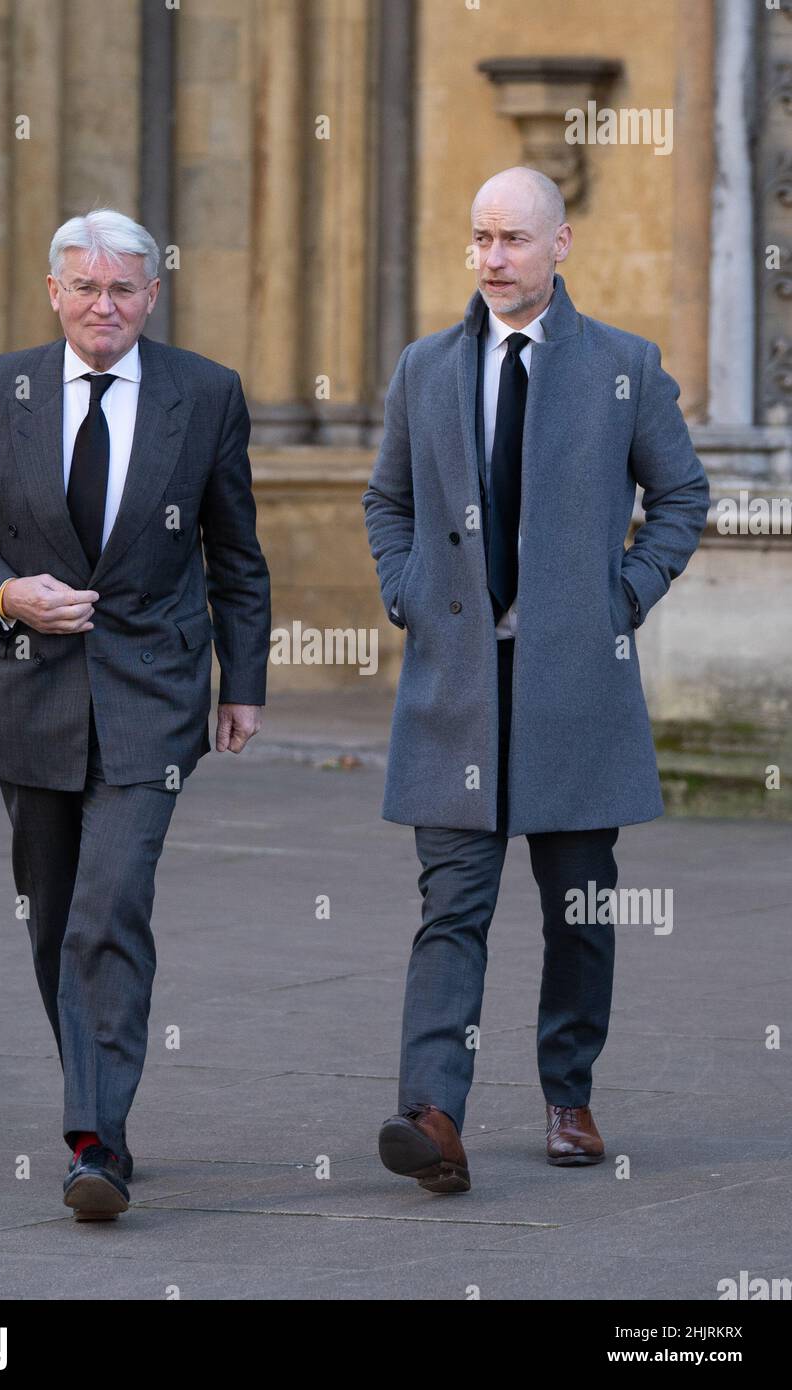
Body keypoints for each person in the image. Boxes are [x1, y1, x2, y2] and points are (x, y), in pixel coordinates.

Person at [362, 167, 709, 1194]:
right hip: (455, 682)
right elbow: (388, 502)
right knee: (451, 908)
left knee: (582, 907)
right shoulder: (424, 368)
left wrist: (622, 597)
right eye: (481, 237)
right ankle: (432, 1113)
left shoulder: (623, 366)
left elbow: (681, 495)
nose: (494, 256)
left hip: (574, 686)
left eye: (515, 237)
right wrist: (410, 590)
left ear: (560, 245)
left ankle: (568, 1092)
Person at [0, 208, 271, 1219]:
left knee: (109, 905)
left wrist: (242, 681)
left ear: (152, 297)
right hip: (26, 696)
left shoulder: (206, 395)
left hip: (153, 696)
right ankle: (98, 1098)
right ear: (54, 293)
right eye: (84, 286)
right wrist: (7, 593)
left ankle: (94, 1139)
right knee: (53, 922)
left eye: (123, 288)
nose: (103, 305)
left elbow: (236, 553)